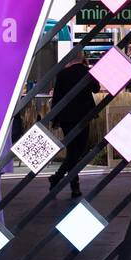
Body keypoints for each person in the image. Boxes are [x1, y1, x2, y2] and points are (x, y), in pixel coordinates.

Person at [48, 55, 97, 198]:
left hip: (66, 118)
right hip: (83, 116)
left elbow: (57, 97)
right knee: (77, 151)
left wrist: (55, 119)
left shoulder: (63, 73)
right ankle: (71, 184)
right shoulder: (87, 73)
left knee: (72, 151)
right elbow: (96, 89)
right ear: (83, 59)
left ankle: (60, 179)